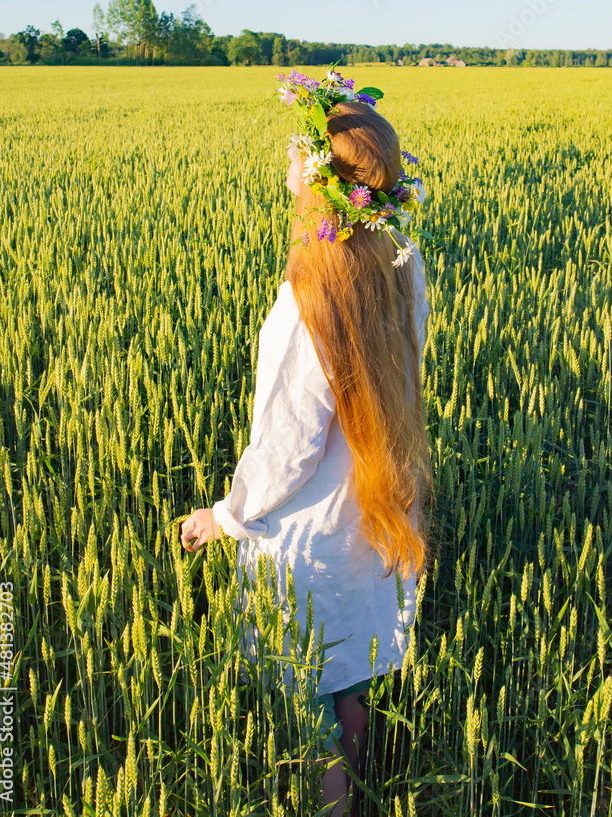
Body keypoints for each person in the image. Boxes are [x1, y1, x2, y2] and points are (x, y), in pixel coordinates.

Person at [181, 73, 435, 816]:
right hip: (380, 502)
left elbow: (288, 444)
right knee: (349, 668)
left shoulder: (310, 291)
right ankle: (353, 794)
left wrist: (223, 516)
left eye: (299, 154)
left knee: (305, 689)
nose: (288, 166)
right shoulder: (400, 260)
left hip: (310, 530)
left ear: (320, 181)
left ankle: (331, 806)